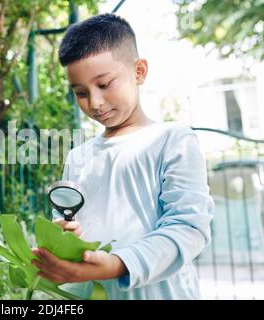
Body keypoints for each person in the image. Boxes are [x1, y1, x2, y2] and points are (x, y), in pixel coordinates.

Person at [31, 13, 215, 300]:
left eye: (104, 84)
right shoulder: (77, 156)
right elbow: (66, 221)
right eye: (81, 92)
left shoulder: (173, 140)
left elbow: (188, 228)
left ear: (139, 71)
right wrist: (63, 235)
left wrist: (118, 265)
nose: (95, 102)